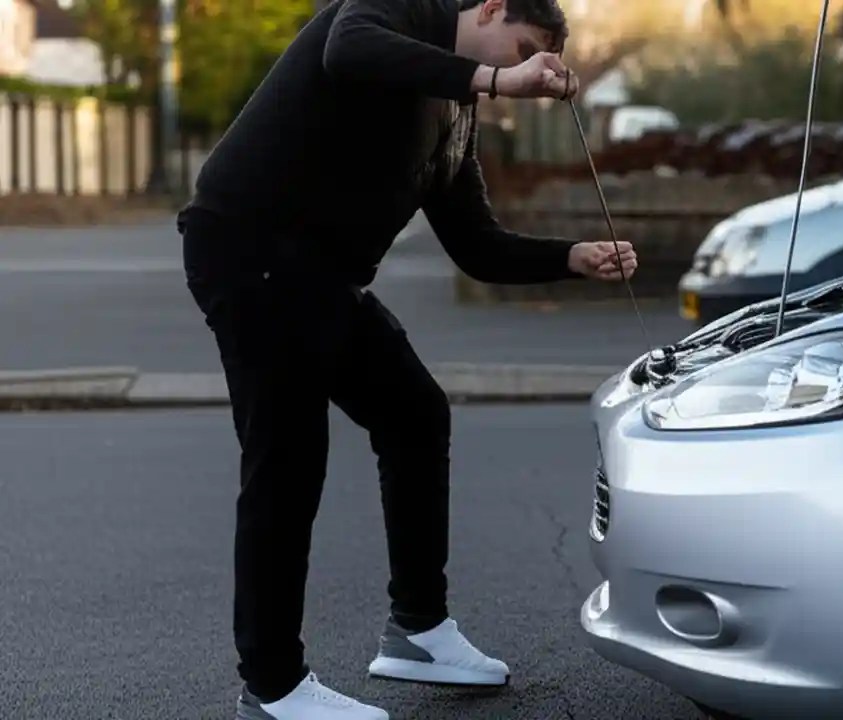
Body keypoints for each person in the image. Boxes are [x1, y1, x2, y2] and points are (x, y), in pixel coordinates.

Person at [176, 0, 637, 717]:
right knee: (288, 459)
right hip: (250, 253)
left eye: (528, 62)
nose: (519, 71)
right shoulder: (399, 13)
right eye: (518, 49)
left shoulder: (454, 114)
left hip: (322, 279)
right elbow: (346, 49)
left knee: (416, 414)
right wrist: (498, 79)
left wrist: (572, 258)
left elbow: (476, 246)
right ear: (488, 7)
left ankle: (417, 631)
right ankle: (271, 685)